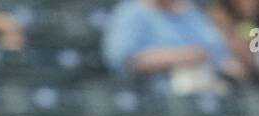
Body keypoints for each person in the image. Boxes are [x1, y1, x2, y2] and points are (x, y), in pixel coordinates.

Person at [103, 0, 245, 93]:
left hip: (205, 83)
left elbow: (216, 50)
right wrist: (184, 56)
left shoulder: (190, 13)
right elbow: (124, 59)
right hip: (156, 90)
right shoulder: (132, 12)